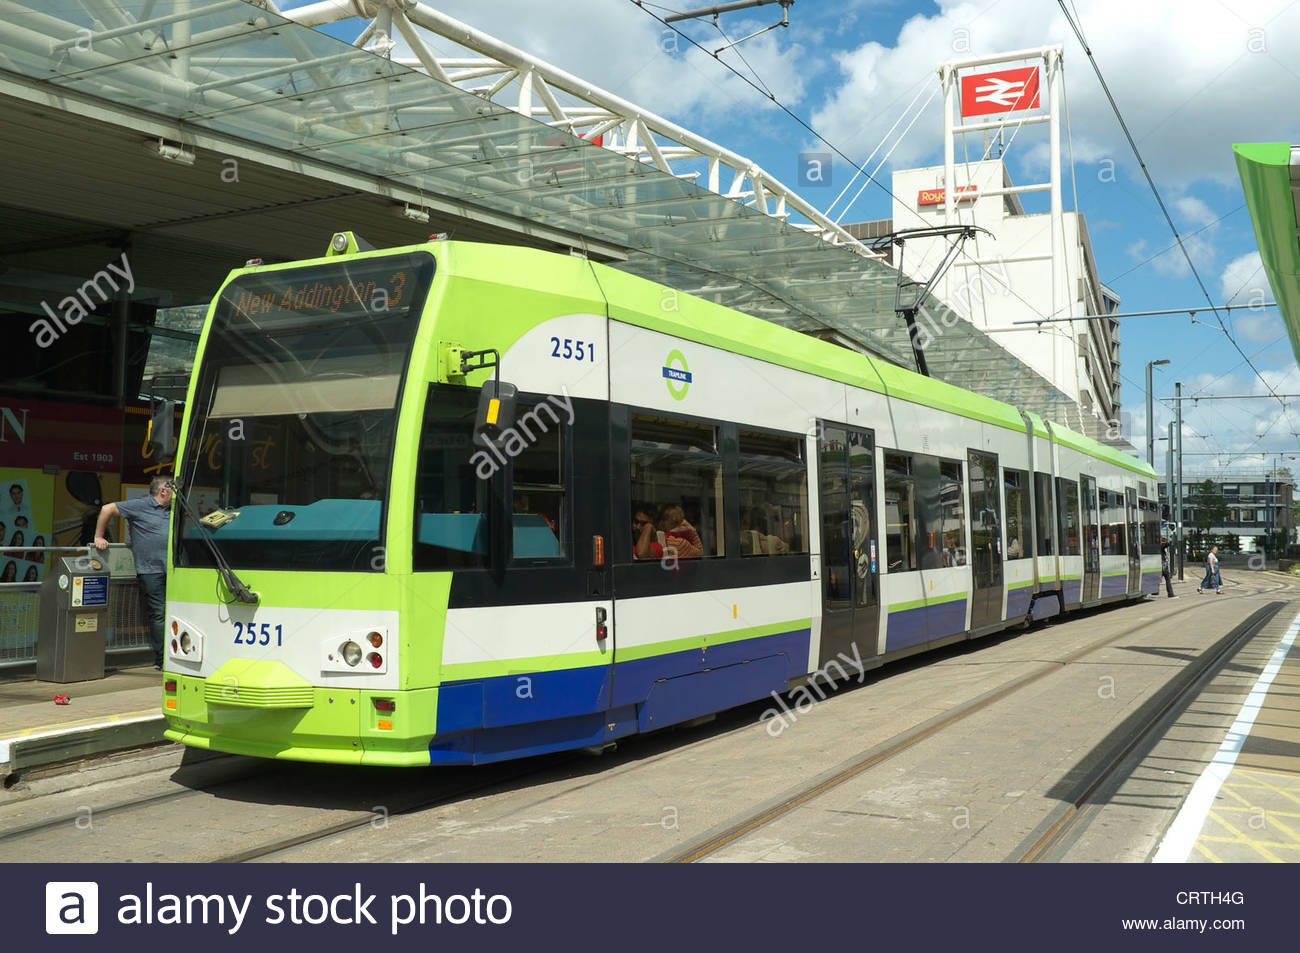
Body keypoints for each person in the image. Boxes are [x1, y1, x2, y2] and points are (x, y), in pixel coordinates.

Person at [95, 477, 174, 669]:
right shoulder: (140, 505)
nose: (176, 494)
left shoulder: (173, 509)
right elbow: (107, 509)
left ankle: (176, 656)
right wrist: (99, 536)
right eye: (174, 490)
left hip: (174, 569)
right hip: (151, 569)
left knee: (174, 612)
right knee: (159, 613)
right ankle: (163, 659)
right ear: (163, 491)